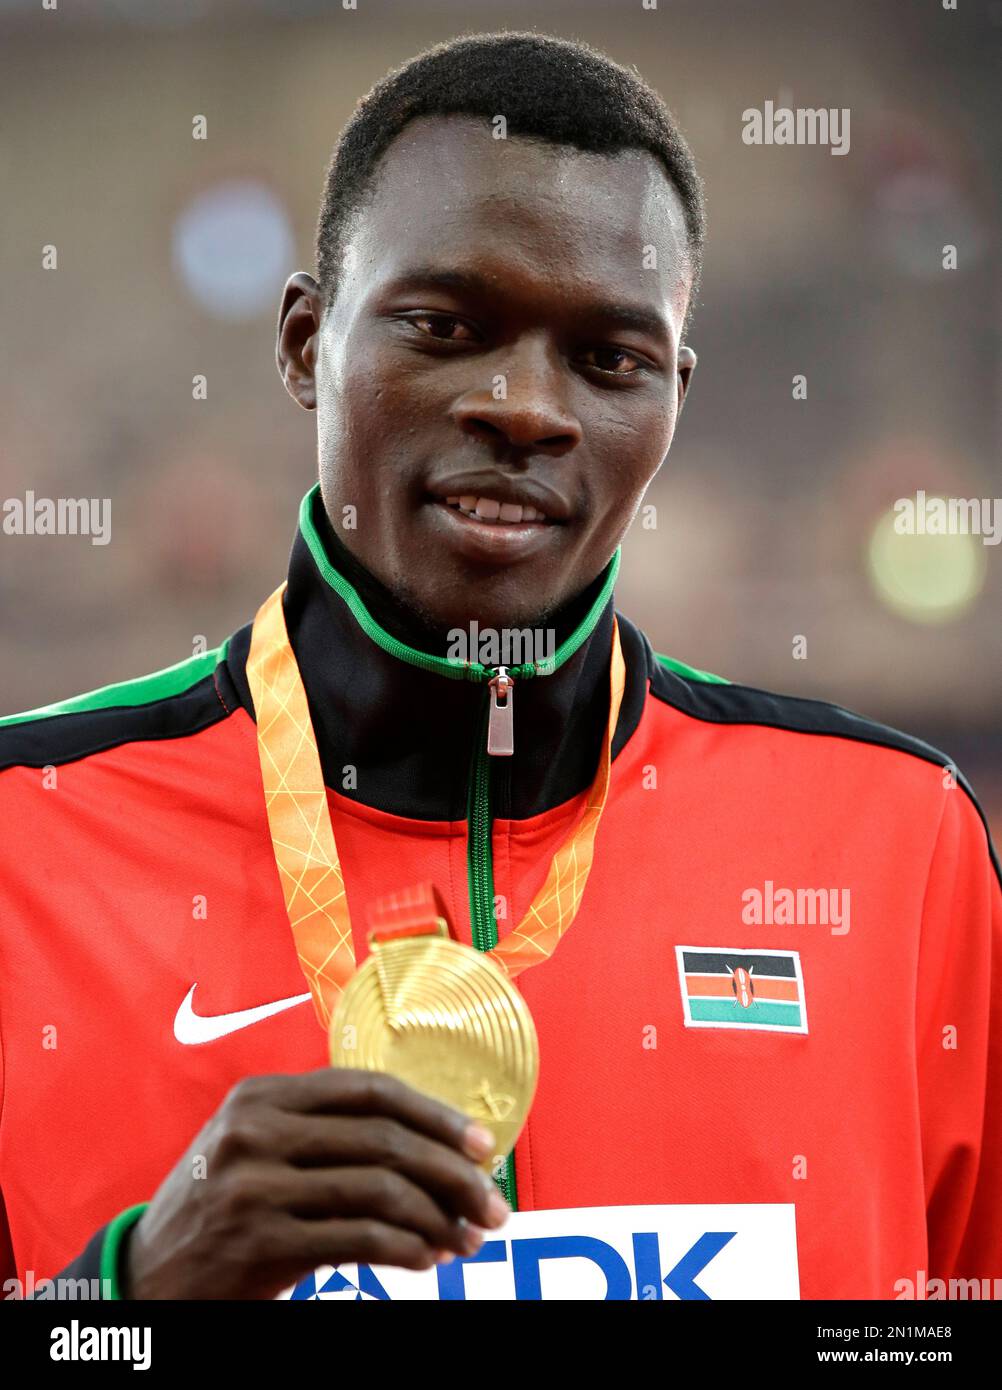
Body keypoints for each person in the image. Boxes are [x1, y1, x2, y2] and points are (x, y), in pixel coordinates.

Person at [0, 31, 998, 1303]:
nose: (527, 406)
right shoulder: (22, 842)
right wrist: (127, 1299)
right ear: (306, 343)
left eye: (610, 358)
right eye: (446, 324)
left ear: (674, 400)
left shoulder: (898, 849)